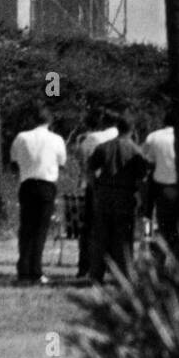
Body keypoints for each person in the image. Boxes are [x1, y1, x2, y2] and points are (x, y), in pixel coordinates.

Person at [9, 105, 67, 285]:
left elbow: (13, 161)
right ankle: (36, 270)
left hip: (27, 184)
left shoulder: (21, 137)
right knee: (41, 229)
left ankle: (23, 268)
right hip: (46, 185)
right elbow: (62, 162)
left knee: (26, 227)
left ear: (33, 120)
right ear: (49, 121)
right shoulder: (56, 139)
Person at [87, 116, 150, 282]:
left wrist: (95, 188)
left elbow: (90, 170)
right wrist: (144, 201)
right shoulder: (136, 150)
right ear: (133, 130)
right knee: (123, 238)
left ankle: (96, 274)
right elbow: (141, 180)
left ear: (117, 128)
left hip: (104, 195)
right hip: (125, 196)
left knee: (101, 236)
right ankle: (123, 275)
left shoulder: (103, 147)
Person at [75, 108, 118, 278]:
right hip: (118, 189)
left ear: (102, 121)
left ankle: (85, 266)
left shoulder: (93, 138)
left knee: (90, 228)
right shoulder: (126, 137)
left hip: (95, 187)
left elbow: (81, 157)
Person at [142, 111, 178, 249]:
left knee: (148, 212)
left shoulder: (154, 136)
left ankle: (147, 239)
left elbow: (148, 159)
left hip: (161, 186)